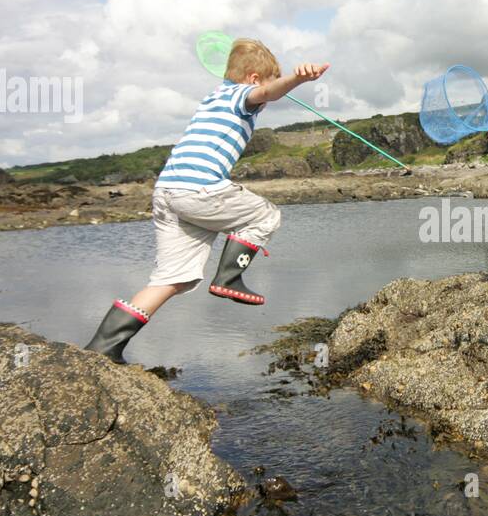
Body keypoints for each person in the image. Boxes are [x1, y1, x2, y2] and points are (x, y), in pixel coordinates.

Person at [84, 38, 328, 363]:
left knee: (174, 278)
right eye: (266, 82)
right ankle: (229, 277)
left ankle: (103, 348)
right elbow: (267, 93)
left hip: (167, 193)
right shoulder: (242, 95)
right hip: (197, 188)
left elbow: (265, 92)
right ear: (254, 78)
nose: (266, 98)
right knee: (266, 216)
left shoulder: (213, 96)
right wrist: (299, 79)